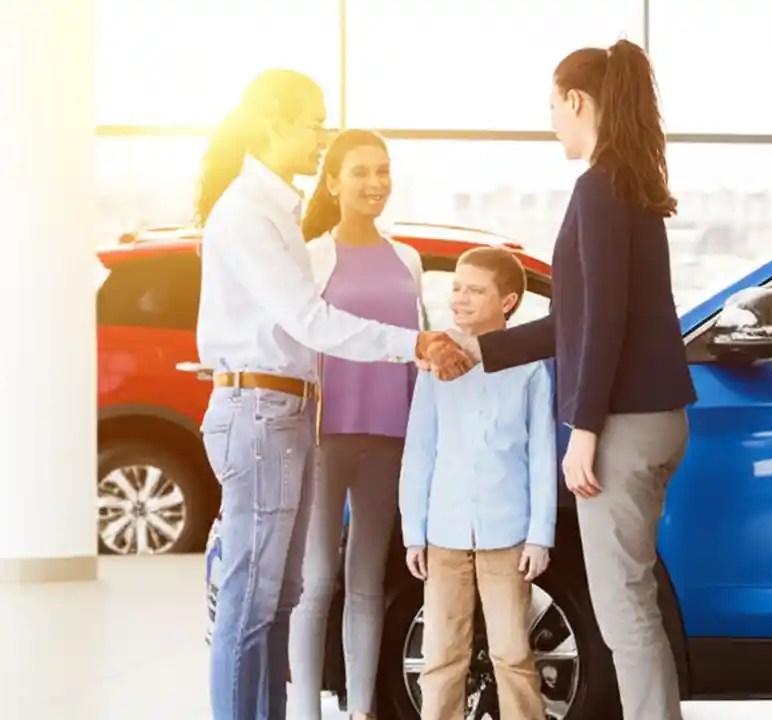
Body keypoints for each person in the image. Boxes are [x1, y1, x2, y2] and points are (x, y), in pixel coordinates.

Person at [195, 69, 470, 720]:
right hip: (259, 412)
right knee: (251, 599)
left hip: (288, 411)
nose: (322, 135)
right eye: (314, 122)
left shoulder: (277, 212)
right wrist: (414, 343)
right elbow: (308, 320)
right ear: (274, 124)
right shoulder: (247, 213)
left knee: (279, 597)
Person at [438, 39, 697, 720]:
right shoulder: (631, 185)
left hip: (622, 426)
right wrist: (478, 346)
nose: (551, 120)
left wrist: (583, 430)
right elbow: (576, 322)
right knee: (633, 603)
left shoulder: (600, 186)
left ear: (577, 100)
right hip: (656, 418)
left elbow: (602, 319)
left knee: (624, 612)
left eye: (552, 105)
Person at [284, 129, 423, 720]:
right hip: (324, 437)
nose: (375, 184)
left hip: (390, 436)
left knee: (366, 581)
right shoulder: (310, 256)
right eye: (361, 172)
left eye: (383, 171)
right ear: (334, 182)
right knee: (317, 582)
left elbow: (416, 352)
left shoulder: (408, 258)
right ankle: (305, 711)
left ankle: (362, 710)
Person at [400, 247, 557, 720]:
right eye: (456, 288)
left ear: (507, 301)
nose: (460, 299)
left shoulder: (529, 367)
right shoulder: (436, 360)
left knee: (513, 654)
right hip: (444, 534)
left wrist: (540, 535)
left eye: (474, 290)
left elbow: (542, 456)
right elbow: (420, 449)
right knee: (442, 656)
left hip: (507, 536)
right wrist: (414, 530)